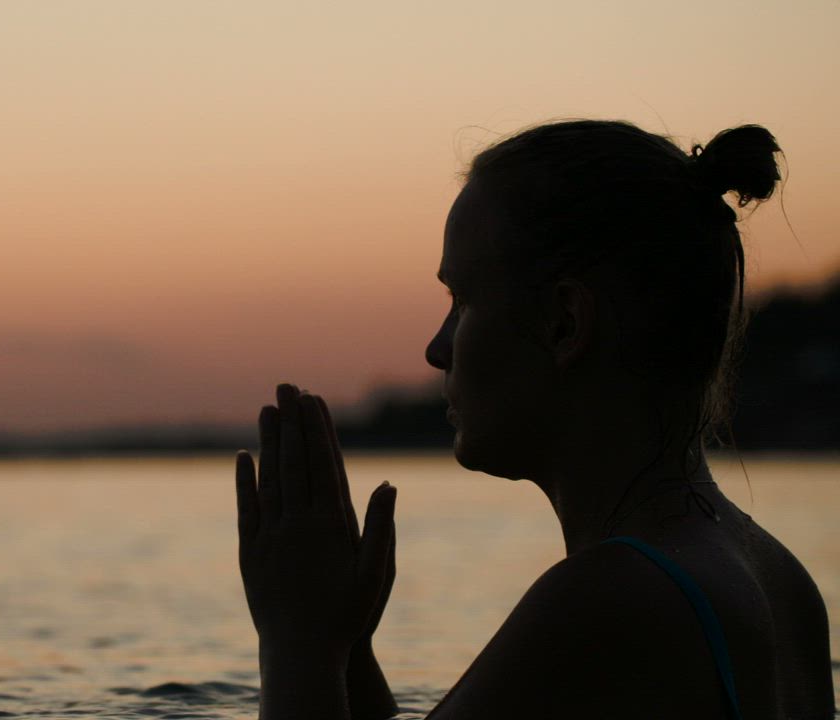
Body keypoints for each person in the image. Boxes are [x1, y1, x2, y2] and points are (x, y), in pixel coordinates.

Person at [233, 120, 835, 719]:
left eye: (462, 301)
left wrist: (297, 643)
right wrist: (347, 646)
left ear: (564, 324)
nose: (437, 350)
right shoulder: (780, 581)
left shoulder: (608, 599)